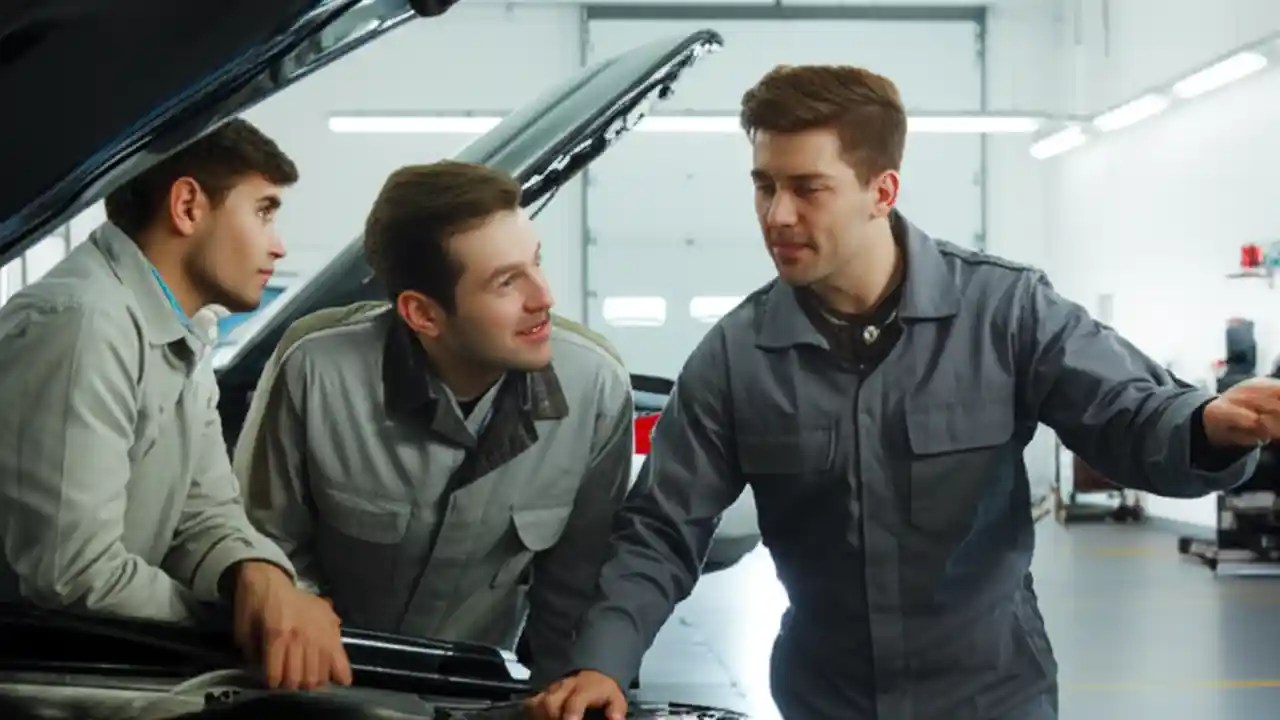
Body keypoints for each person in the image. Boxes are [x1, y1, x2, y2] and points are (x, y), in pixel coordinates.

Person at [525, 64, 1280, 720]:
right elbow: (661, 526)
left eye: (807, 188)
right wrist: (602, 663)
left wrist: (1210, 426)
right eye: (764, 186)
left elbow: (1131, 414)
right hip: (827, 699)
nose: (777, 215)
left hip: (994, 696)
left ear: (881, 190)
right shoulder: (736, 356)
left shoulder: (1007, 312)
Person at [233, 160, 634, 686]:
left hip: (475, 696)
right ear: (423, 314)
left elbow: (575, 596)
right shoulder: (317, 375)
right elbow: (267, 553)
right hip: (322, 691)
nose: (544, 298)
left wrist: (562, 693)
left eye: (536, 262)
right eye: (507, 282)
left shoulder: (595, 389)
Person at [0, 118, 352, 692]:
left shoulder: (184, 329)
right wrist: (239, 621)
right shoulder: (84, 324)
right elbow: (74, 576)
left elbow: (204, 509)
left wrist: (256, 576)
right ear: (188, 206)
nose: (279, 243)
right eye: (264, 211)